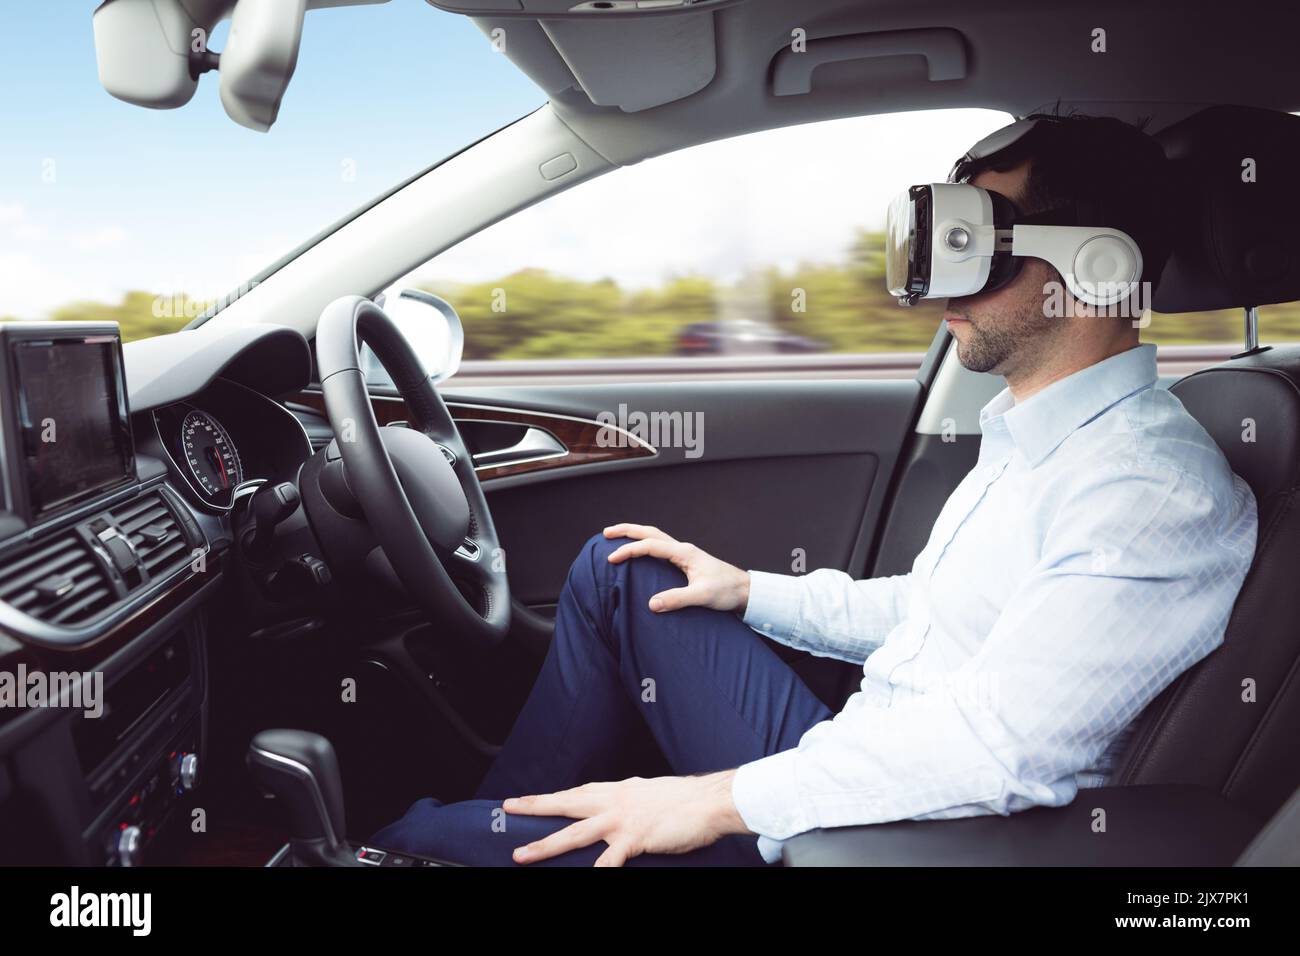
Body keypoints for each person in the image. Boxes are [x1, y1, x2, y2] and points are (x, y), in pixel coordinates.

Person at [370, 113, 1258, 866]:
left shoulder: (1148, 492)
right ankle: (496, 832)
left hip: (884, 834)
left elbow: (1002, 748)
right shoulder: (1044, 438)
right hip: (858, 755)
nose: (937, 292)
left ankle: (443, 842)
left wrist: (711, 800)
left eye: (974, 251)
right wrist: (752, 592)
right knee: (623, 568)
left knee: (411, 833)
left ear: (1097, 270)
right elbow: (934, 610)